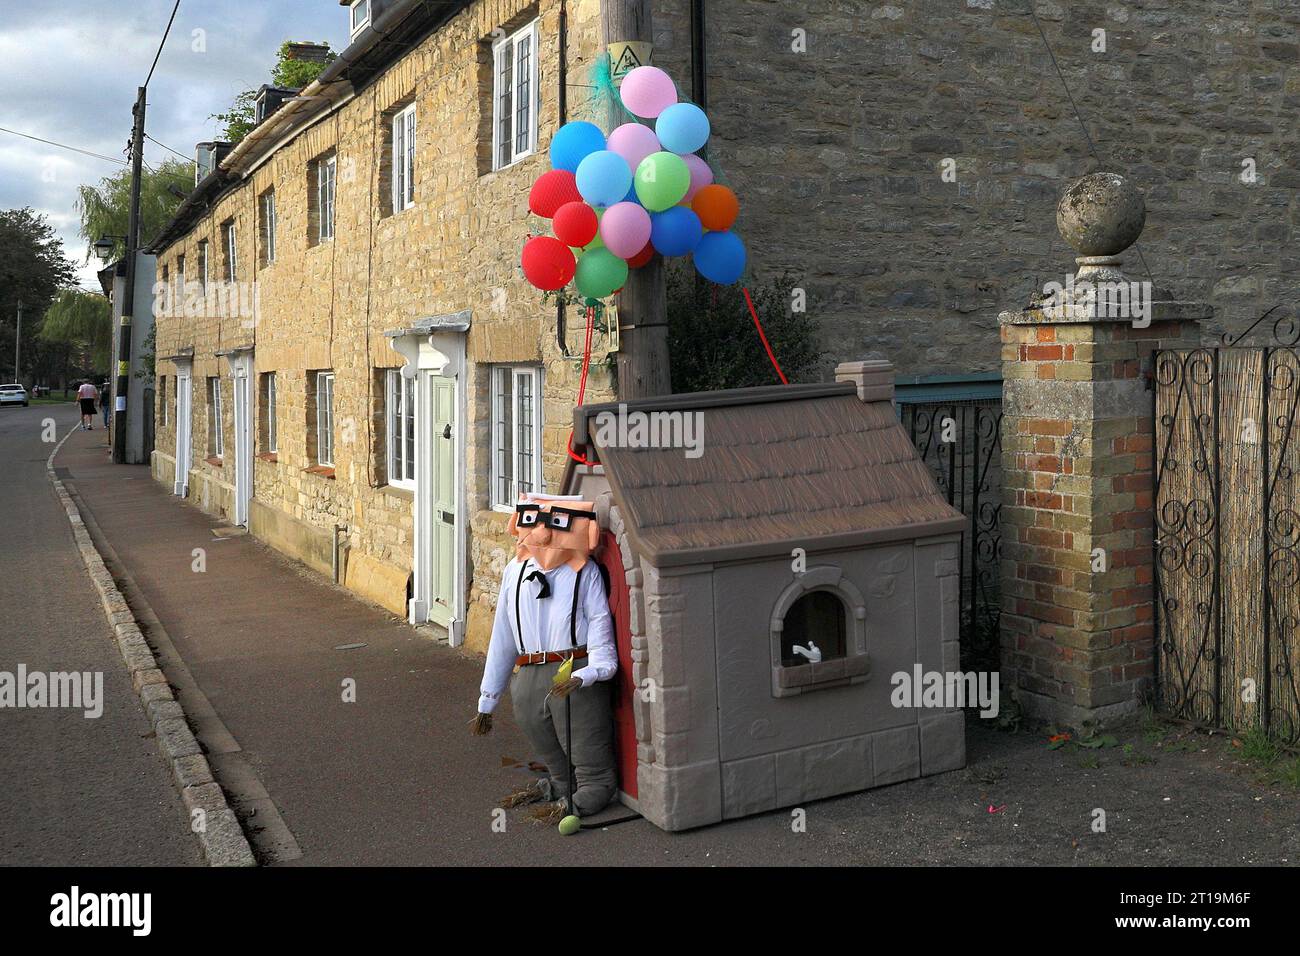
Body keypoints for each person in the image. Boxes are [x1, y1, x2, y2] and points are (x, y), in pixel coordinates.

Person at [471, 492, 618, 823]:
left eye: (556, 525)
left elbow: (599, 623)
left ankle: (590, 791)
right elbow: (503, 634)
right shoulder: (515, 572)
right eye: (535, 524)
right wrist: (488, 699)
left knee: (586, 744)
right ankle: (562, 784)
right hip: (527, 674)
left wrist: (593, 672)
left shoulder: (586, 573)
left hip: (572, 671)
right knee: (541, 736)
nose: (543, 534)